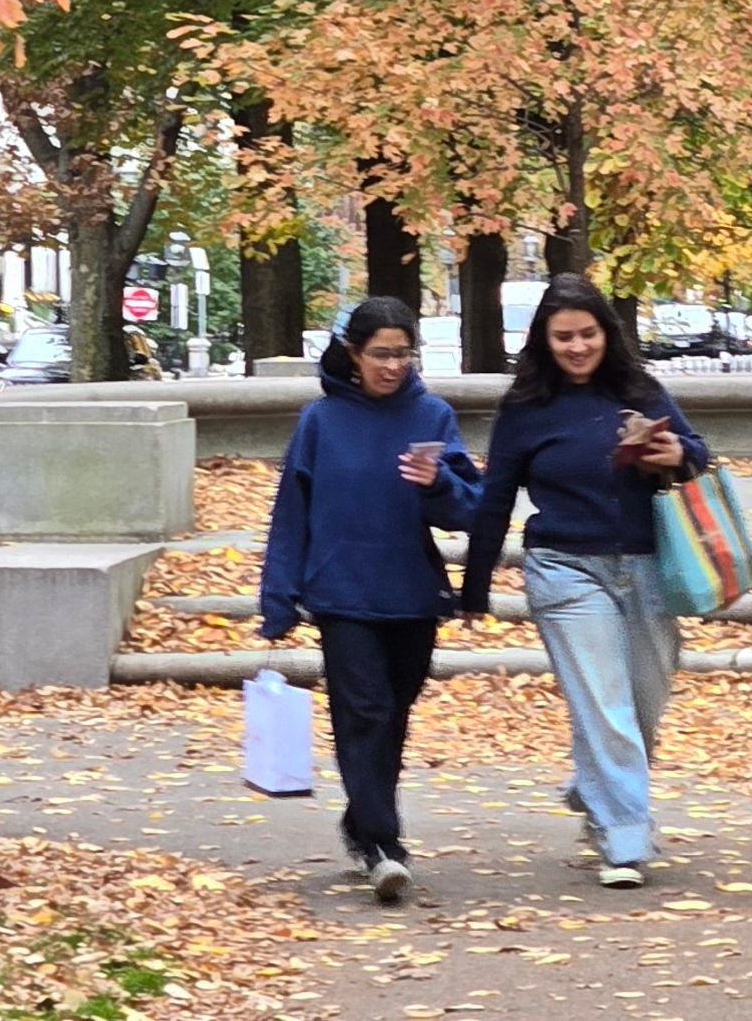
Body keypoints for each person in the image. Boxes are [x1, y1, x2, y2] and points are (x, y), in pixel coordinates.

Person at [458, 274, 710, 889]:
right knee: (606, 708)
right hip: (565, 571)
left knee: (643, 710)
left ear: (606, 334)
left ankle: (594, 786)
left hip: (648, 567)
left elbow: (700, 452)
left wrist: (675, 454)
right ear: (544, 340)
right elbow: (495, 499)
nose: (576, 347)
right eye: (563, 336)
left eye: (587, 334)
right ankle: (625, 840)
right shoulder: (524, 409)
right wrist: (475, 585)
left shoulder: (640, 390)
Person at [259, 297, 479, 904]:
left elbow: (468, 509)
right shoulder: (321, 422)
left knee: (392, 717)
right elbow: (291, 514)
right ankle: (384, 845)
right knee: (365, 713)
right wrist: (279, 598)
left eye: (403, 353)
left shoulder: (432, 415)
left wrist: (439, 483)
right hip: (341, 594)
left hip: (410, 593)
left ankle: (361, 826)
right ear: (352, 355)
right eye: (381, 354)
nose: (393, 366)